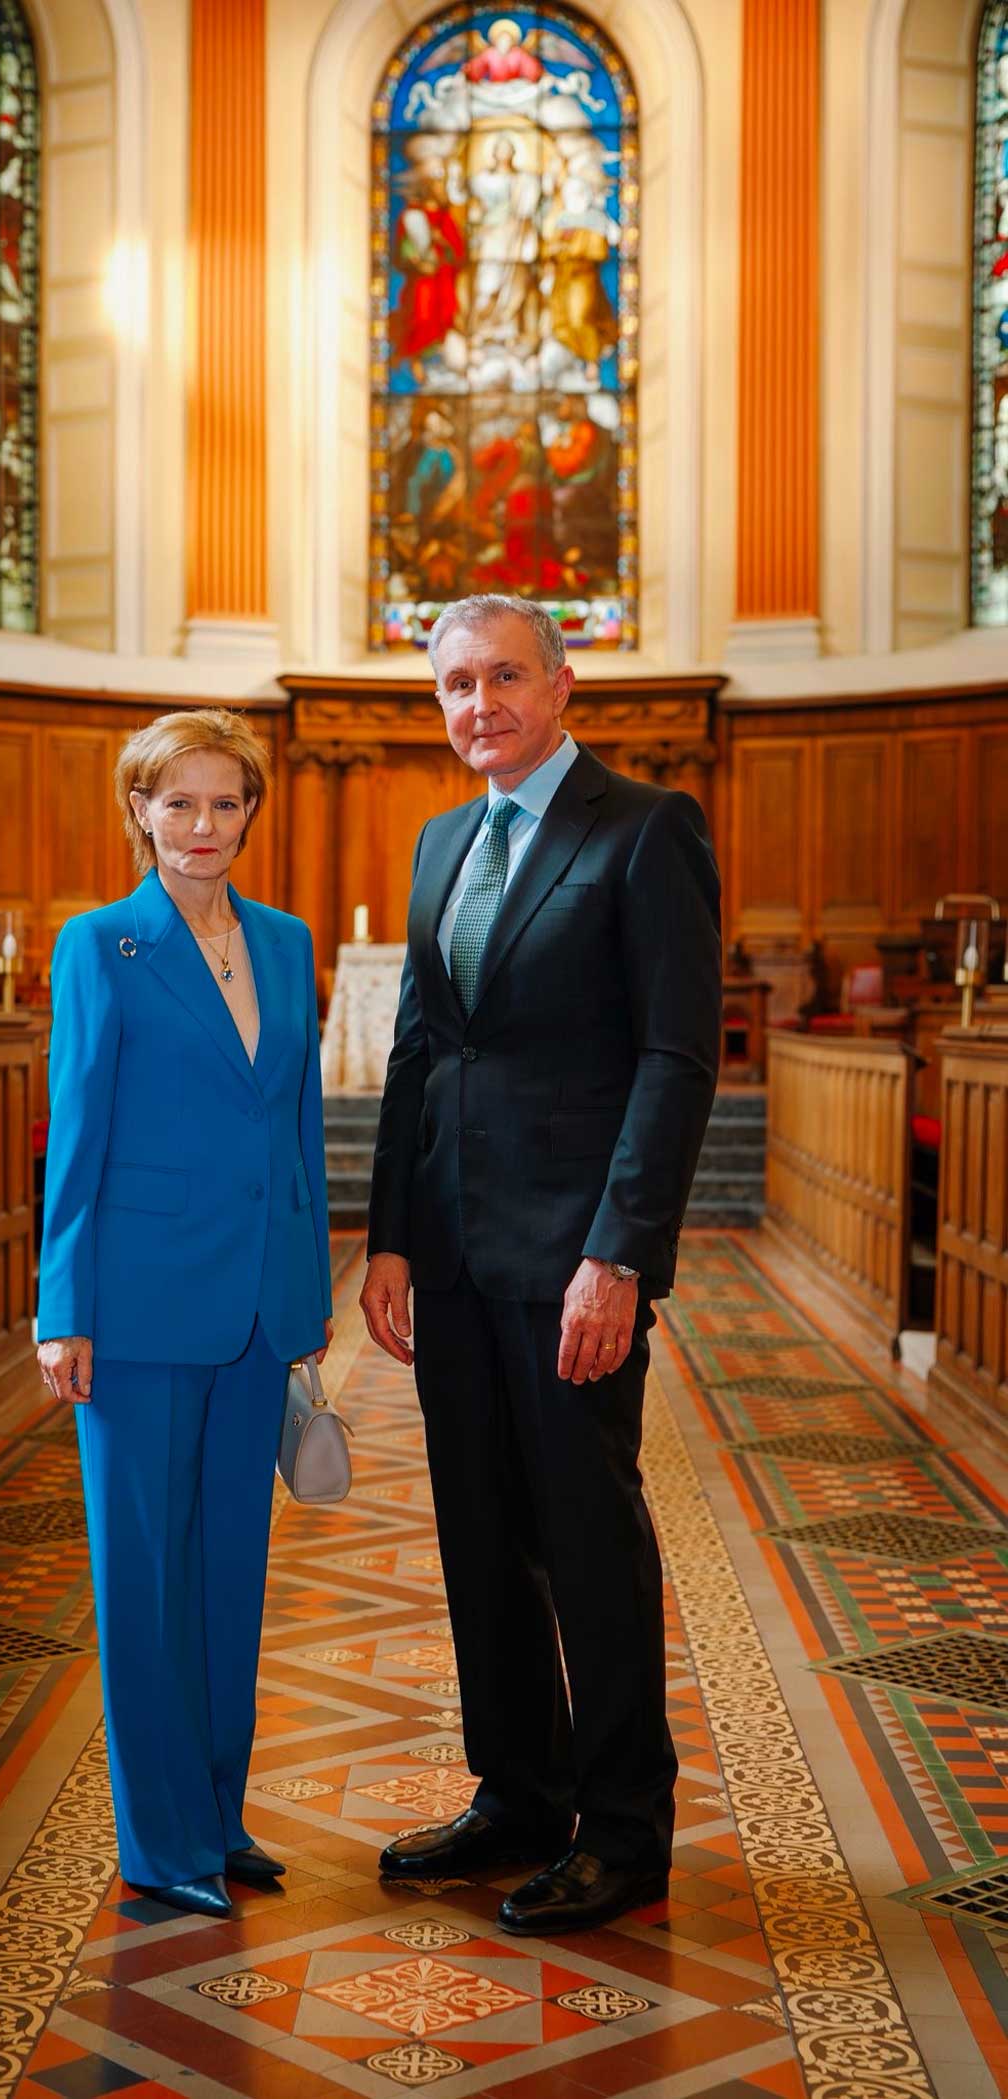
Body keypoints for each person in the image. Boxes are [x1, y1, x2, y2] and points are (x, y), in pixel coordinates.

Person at [361, 594, 721, 1935]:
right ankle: (517, 1789)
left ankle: (624, 1827)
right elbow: (417, 1046)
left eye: (506, 674)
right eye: (456, 683)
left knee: (585, 1537)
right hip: (453, 1250)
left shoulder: (645, 829)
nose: (480, 702)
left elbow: (677, 1056)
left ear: (563, 683)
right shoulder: (442, 838)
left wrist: (619, 1254)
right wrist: (392, 1227)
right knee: (479, 1536)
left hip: (574, 1257)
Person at [36, 709, 334, 1922]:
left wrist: (308, 1290)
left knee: (227, 1576)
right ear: (139, 813)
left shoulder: (285, 937)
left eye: (224, 803)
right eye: (179, 804)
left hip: (260, 1310)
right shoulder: (99, 944)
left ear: (251, 812)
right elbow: (75, 1128)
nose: (203, 827)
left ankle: (218, 1815)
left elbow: (298, 1128)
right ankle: (161, 1842)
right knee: (142, 1581)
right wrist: (62, 1306)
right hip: (137, 1310)